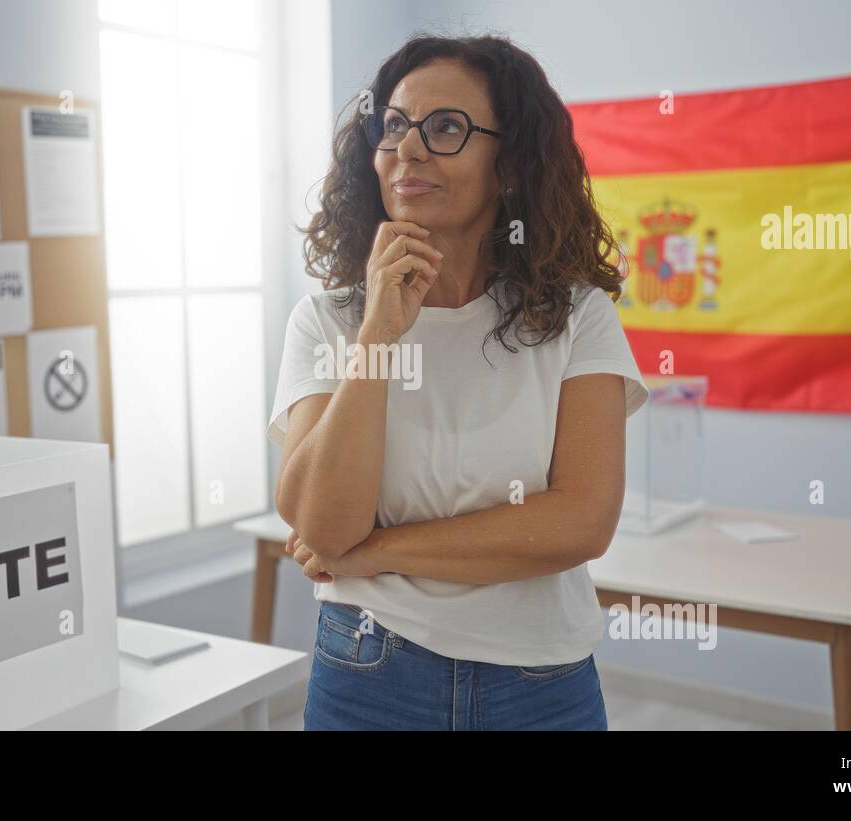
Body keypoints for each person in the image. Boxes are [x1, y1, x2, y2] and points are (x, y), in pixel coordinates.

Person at [268, 34, 649, 730]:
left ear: (509, 164)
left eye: (446, 127)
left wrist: (375, 550)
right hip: (366, 669)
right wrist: (377, 334)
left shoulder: (577, 316)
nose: (408, 149)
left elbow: (581, 521)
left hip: (540, 680)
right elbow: (322, 523)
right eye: (394, 126)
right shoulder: (327, 320)